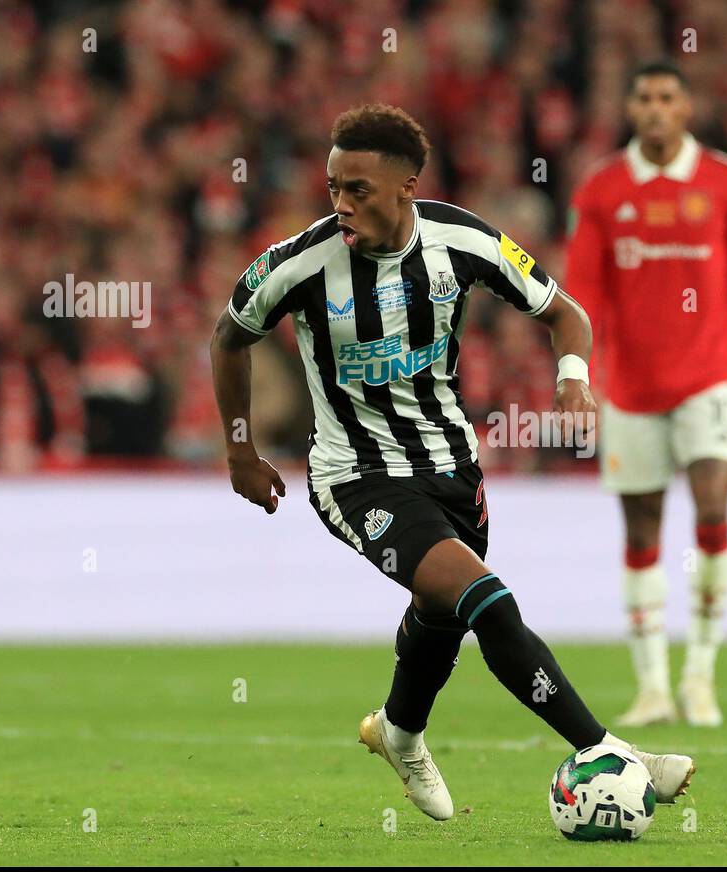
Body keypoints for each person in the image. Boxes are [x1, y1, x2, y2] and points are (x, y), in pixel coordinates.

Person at [210, 104, 694, 819]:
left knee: (442, 616)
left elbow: (569, 315)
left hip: (451, 465)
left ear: (407, 185)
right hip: (356, 475)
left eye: (359, 190)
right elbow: (229, 336)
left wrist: (572, 377)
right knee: (485, 598)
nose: (341, 204)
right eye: (333, 187)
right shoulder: (301, 263)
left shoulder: (461, 240)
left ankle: (399, 732)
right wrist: (240, 449)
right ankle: (611, 752)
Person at [565, 62, 727, 727]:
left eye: (667, 97)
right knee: (641, 528)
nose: (654, 108)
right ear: (629, 106)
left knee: (712, 504)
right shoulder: (602, 189)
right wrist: (575, 373)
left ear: (687, 107)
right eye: (643, 97)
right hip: (633, 390)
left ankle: (700, 673)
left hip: (708, 382)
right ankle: (653, 687)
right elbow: (580, 295)